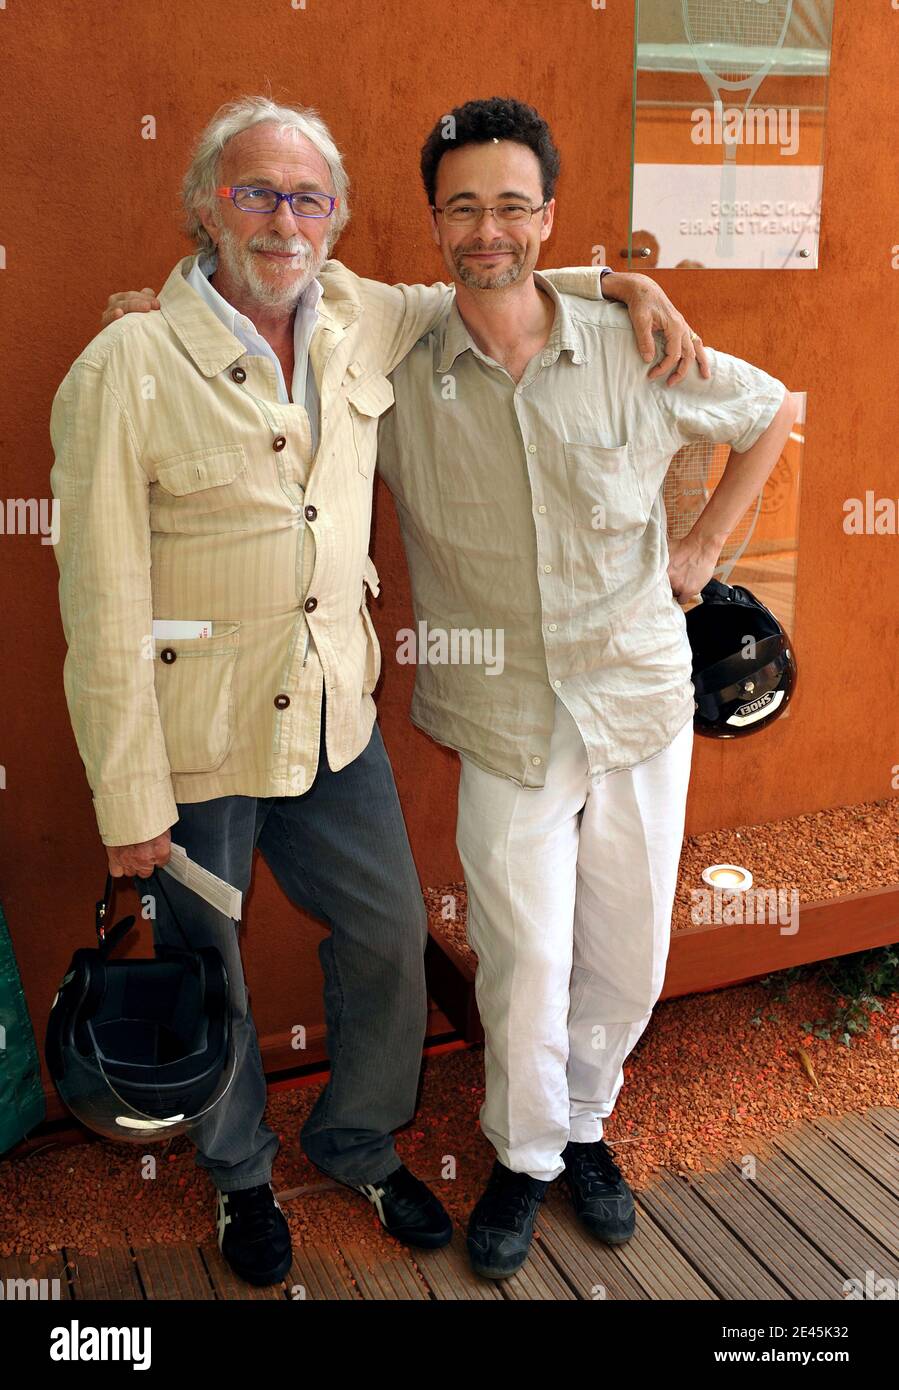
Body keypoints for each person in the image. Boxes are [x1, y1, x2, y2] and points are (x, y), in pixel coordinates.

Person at [52, 94, 702, 1288]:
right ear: (205, 205)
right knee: (215, 963)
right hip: (195, 738)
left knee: (391, 933)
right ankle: (240, 1174)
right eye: (256, 192)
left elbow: (499, 259)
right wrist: (126, 797)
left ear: (339, 219)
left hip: (334, 715)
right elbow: (96, 601)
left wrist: (620, 281)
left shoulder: (360, 311)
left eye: (307, 197)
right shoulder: (128, 362)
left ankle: (353, 1136)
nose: (283, 219)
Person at [372, 97, 798, 1279]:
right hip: (502, 718)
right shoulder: (398, 359)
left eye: (512, 205)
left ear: (548, 215)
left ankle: (585, 1125)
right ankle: (522, 1156)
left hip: (636, 699)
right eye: (462, 206)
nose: (487, 229)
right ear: (433, 223)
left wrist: (705, 548)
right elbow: (284, 327)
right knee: (521, 958)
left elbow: (767, 414)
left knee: (627, 954)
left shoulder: (632, 343)